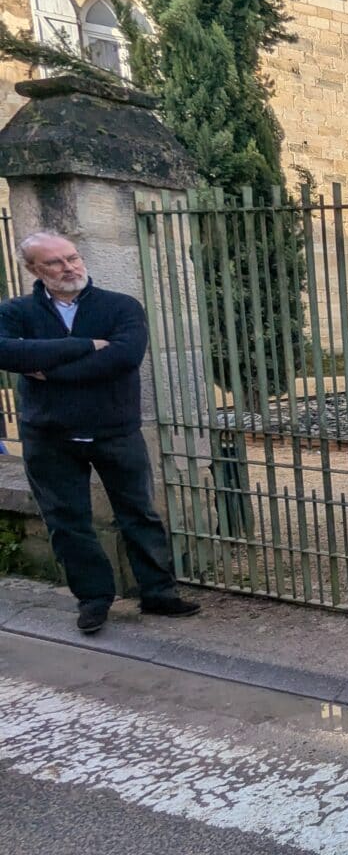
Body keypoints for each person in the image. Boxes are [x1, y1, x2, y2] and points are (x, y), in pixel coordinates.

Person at [0, 231, 200, 634]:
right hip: (49, 435)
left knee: (140, 514)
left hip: (115, 431)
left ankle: (158, 592)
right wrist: (87, 344)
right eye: (55, 262)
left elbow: (123, 358)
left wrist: (45, 368)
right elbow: (5, 352)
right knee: (66, 521)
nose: (69, 266)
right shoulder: (16, 311)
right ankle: (93, 599)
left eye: (72, 256)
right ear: (32, 269)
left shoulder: (120, 306)